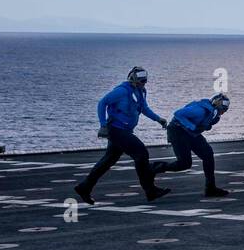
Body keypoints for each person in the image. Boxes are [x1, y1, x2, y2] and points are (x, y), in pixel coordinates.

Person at [73, 67, 169, 205]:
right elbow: (102, 103)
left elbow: (143, 108)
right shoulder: (121, 91)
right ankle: (150, 190)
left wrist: (158, 119)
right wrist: (103, 124)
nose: (144, 82)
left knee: (108, 160)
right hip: (116, 130)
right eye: (141, 80)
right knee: (141, 154)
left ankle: (84, 187)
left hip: (125, 130)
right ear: (132, 78)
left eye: (145, 79)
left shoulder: (141, 91)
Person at [153, 93, 230, 197]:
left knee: (208, 154)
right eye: (222, 109)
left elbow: (203, 125)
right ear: (216, 104)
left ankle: (210, 188)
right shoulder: (200, 110)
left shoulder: (212, 114)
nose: (222, 112)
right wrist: (192, 126)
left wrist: (206, 126)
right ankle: (152, 169)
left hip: (190, 133)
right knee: (184, 163)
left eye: (225, 110)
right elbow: (178, 114)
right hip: (177, 131)